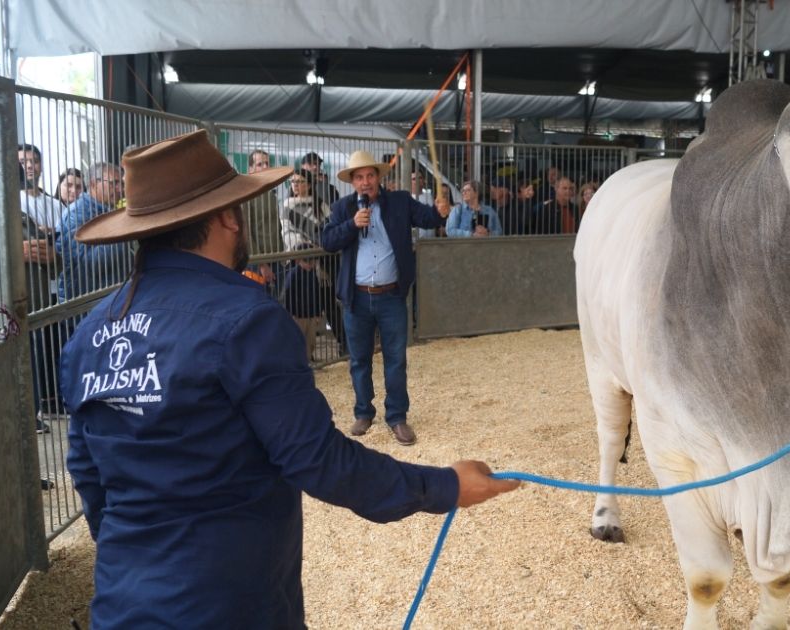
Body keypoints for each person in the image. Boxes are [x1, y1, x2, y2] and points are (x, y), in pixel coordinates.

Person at [61, 130, 518, 629]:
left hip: (122, 603)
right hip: (231, 605)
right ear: (227, 217)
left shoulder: (90, 331)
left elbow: (87, 474)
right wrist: (444, 486)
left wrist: (139, 561)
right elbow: (319, 460)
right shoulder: (246, 318)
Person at [321, 150, 453, 446]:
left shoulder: (399, 201)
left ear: (379, 178)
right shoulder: (343, 208)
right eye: (359, 177)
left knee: (396, 359)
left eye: (370, 175)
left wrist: (441, 209)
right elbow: (327, 242)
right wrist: (352, 224)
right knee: (359, 360)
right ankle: (363, 412)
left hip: (391, 295)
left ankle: (396, 417)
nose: (365, 182)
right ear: (352, 182)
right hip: (356, 298)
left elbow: (429, 218)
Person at [54, 162, 129, 302]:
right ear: (94, 184)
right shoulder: (77, 214)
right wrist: (125, 234)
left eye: (122, 184)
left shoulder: (104, 211)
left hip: (102, 300)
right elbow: (89, 262)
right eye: (114, 183)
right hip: (82, 305)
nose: (120, 189)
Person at [241, 150, 282, 288]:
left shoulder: (270, 193)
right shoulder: (246, 194)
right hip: (257, 262)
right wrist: (261, 264)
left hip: (276, 258)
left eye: (267, 163)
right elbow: (245, 231)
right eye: (260, 164)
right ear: (250, 169)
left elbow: (277, 226)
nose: (265, 167)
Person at [18, 144, 65, 231]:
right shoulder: (14, 204)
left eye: (35, 161)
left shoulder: (57, 205)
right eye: (22, 162)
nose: (29, 166)